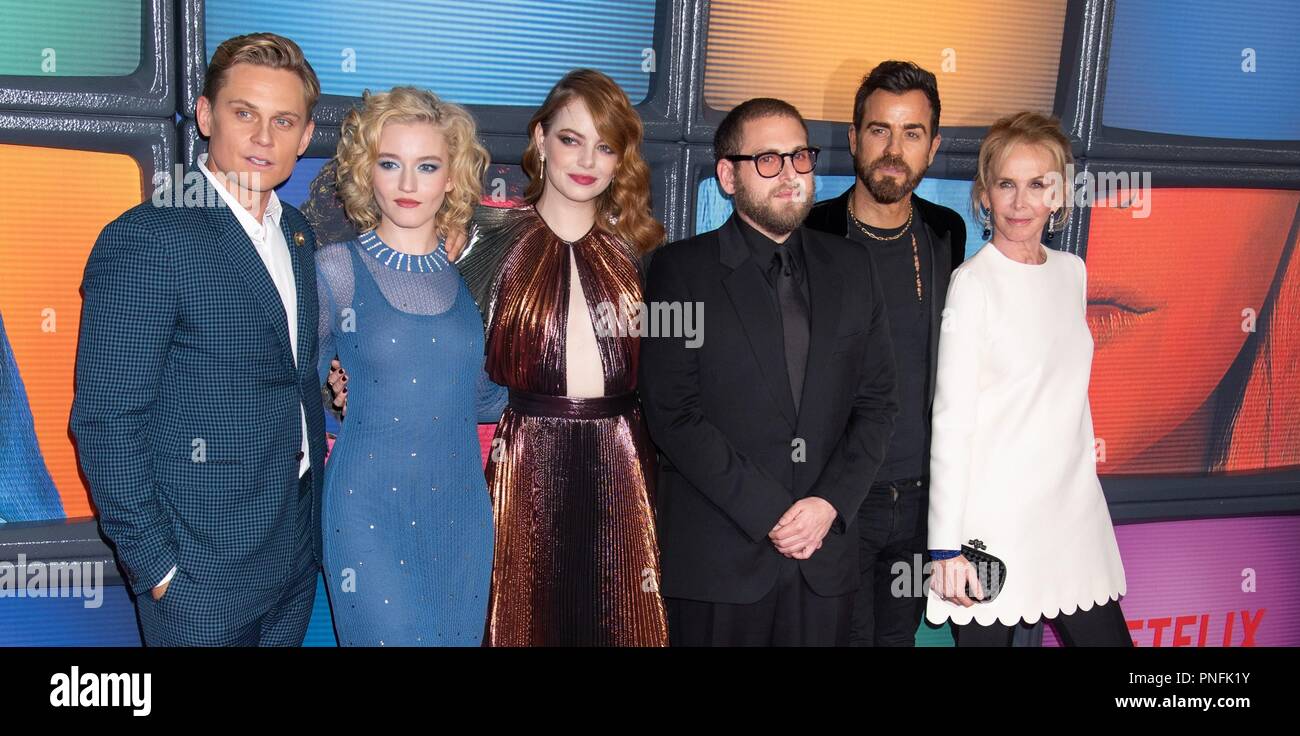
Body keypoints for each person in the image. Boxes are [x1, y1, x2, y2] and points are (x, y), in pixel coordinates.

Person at [70, 33, 325, 646]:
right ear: (207, 116)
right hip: (199, 576)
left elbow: (287, 375)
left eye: (283, 121)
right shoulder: (148, 238)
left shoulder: (296, 232)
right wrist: (159, 571)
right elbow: (106, 420)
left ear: (306, 137)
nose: (264, 138)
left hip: (292, 553)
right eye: (245, 114)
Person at [639, 98, 899, 646]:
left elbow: (877, 405)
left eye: (799, 157)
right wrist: (774, 513)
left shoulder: (854, 269)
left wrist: (828, 504)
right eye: (767, 159)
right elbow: (672, 415)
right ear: (727, 176)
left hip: (824, 559)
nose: (789, 174)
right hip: (721, 560)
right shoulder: (675, 271)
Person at [454, 69, 669, 646]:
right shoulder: (487, 239)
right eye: (571, 138)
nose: (587, 160)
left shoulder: (642, 252)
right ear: (540, 138)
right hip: (525, 460)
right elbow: (434, 344)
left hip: (621, 459)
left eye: (605, 146)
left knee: (617, 619)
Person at [926, 111, 1131, 647]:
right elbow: (952, 422)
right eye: (1006, 185)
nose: (1020, 203)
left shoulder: (1072, 273)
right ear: (984, 195)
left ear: (1060, 195)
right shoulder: (973, 285)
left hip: (1072, 520)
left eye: (1037, 185)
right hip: (993, 528)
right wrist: (946, 548)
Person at [313, 86, 505, 646]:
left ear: (452, 177)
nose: (406, 184)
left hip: (461, 512)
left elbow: (483, 397)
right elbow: (301, 379)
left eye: (426, 166)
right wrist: (334, 393)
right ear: (365, 171)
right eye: (389, 163)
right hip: (366, 507)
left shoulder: (470, 279)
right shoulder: (337, 268)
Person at [804, 60, 966, 646]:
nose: (894, 149)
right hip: (841, 501)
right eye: (879, 130)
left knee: (897, 639)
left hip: (923, 504)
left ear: (933, 146)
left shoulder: (948, 232)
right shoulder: (812, 232)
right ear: (853, 138)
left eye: (912, 133)